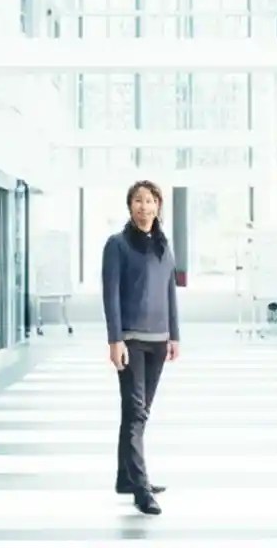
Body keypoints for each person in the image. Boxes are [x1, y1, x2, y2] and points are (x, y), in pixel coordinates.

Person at [102, 179, 180, 516]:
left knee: (138, 413)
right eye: (137, 200)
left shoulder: (163, 245)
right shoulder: (117, 244)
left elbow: (170, 292)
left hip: (159, 341)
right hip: (131, 340)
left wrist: (174, 336)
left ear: (158, 206)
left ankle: (126, 477)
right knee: (135, 413)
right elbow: (111, 295)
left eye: (150, 201)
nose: (144, 206)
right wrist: (114, 339)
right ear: (129, 206)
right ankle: (141, 489)